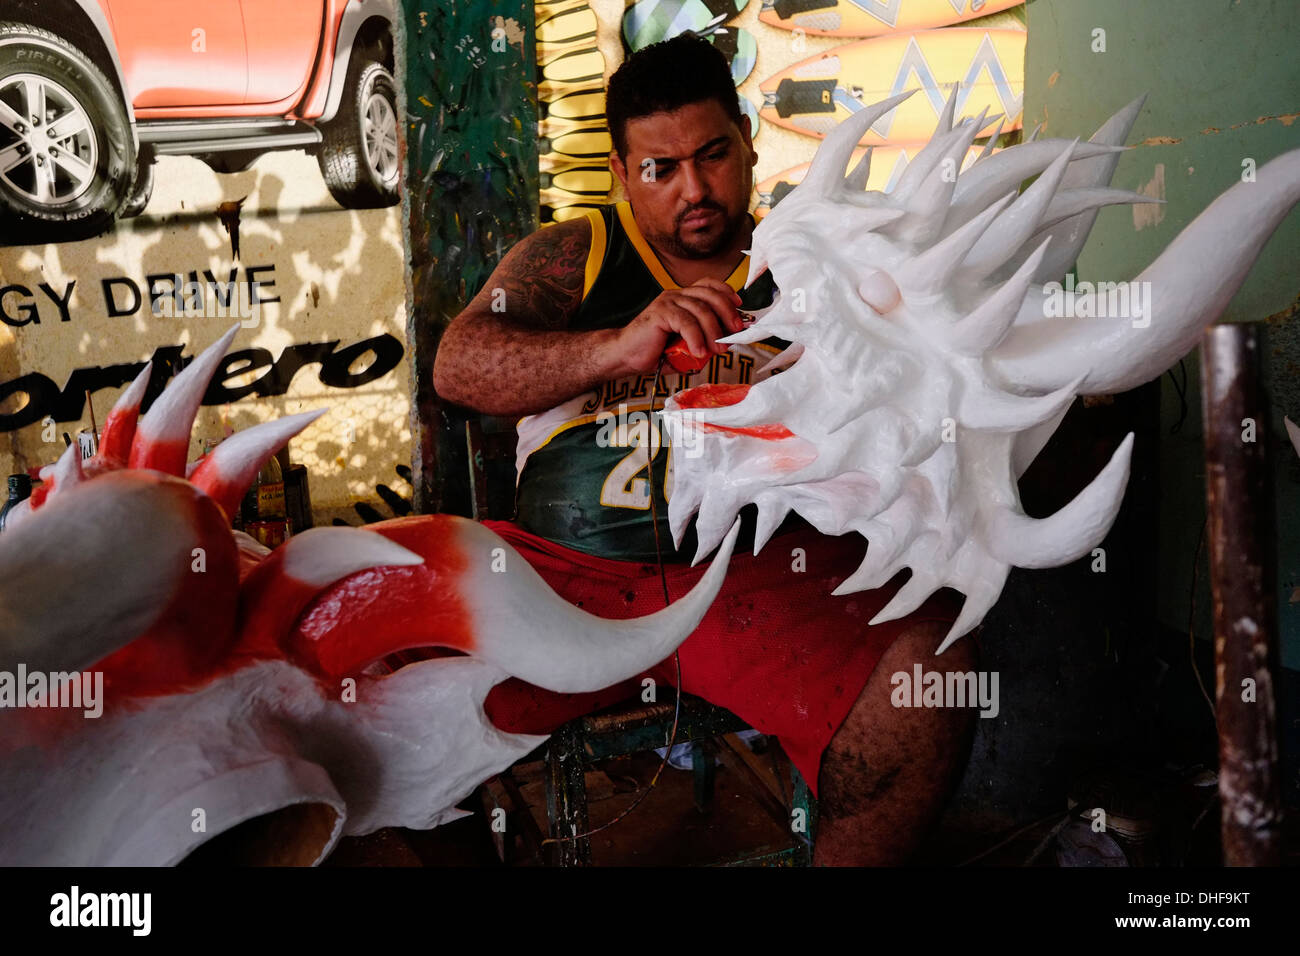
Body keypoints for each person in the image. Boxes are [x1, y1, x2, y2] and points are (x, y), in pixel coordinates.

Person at [433, 35, 978, 865]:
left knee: (929, 671)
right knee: (373, 663)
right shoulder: (581, 254)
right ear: (621, 173)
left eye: (713, 154)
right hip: (565, 580)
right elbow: (458, 366)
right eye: (660, 168)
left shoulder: (805, 267)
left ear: (749, 139)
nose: (693, 189)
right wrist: (617, 347)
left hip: (750, 580)